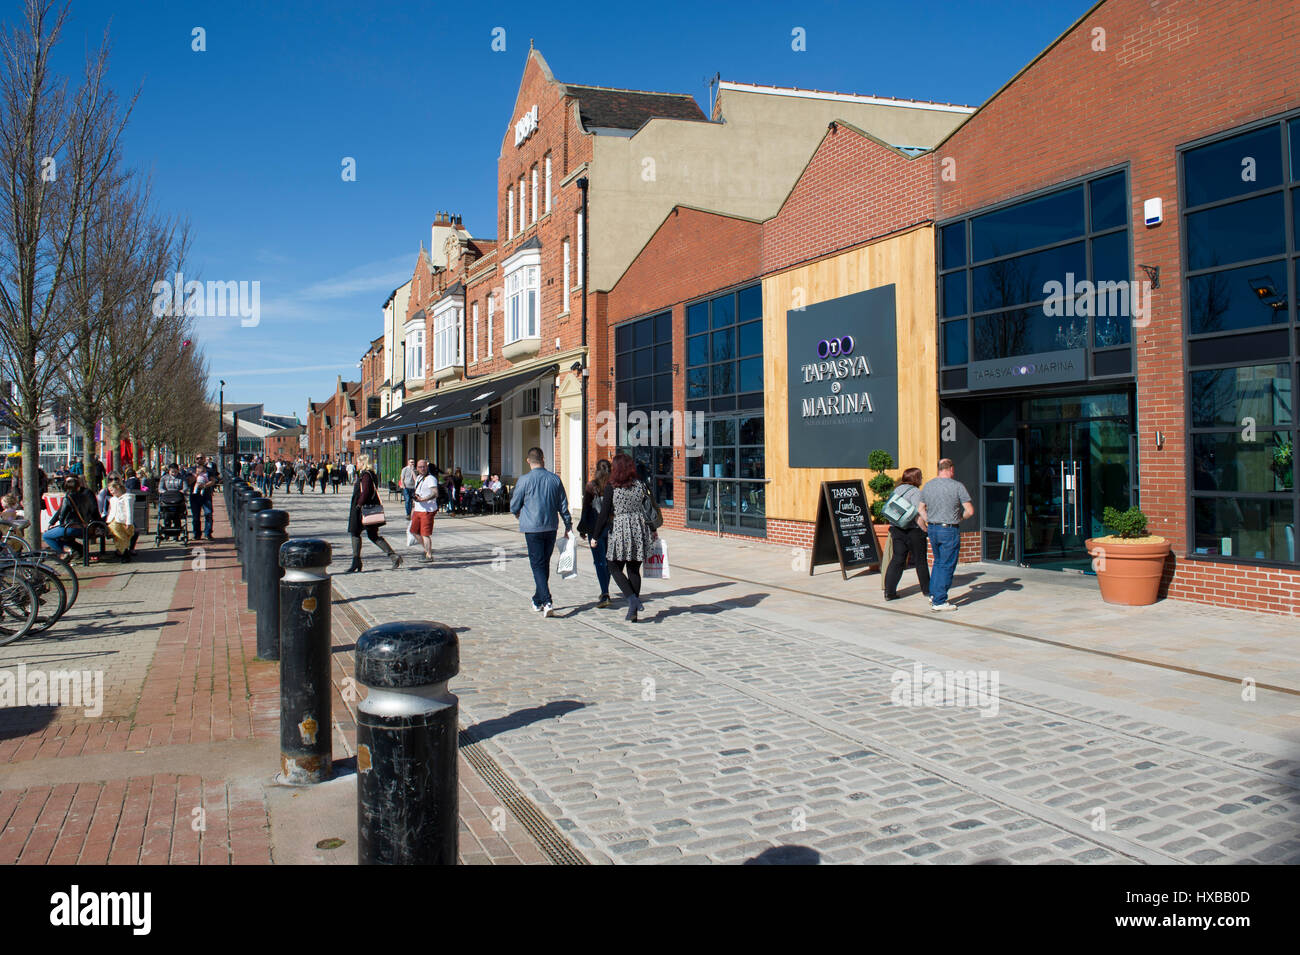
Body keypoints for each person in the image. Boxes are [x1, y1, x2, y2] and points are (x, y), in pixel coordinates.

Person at [509, 447, 572, 617]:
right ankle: (538, 599)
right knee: (543, 563)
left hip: (532, 527)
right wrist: (568, 525)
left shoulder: (524, 480)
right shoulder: (554, 479)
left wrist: (517, 513)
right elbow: (563, 505)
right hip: (550, 526)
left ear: (528, 460)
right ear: (543, 459)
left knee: (537, 564)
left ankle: (546, 600)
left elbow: (514, 504)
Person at [596, 452, 656, 622]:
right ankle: (633, 610)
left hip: (622, 529)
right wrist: (653, 529)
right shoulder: (640, 485)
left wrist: (595, 535)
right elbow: (648, 507)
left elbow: (604, 514)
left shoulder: (611, 487)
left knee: (613, 565)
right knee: (633, 569)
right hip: (639, 528)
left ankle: (633, 600)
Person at [918, 458, 974, 612]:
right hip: (949, 529)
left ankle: (934, 595)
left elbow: (920, 508)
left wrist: (929, 520)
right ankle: (939, 600)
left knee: (938, 562)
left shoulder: (928, 485)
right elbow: (969, 510)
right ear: (951, 469)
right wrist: (961, 518)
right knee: (947, 565)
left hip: (933, 529)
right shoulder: (957, 486)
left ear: (938, 469)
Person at [344, 453, 402, 573]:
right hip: (365, 508)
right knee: (371, 534)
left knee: (356, 533)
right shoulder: (368, 474)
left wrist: (359, 504)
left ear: (363, 463)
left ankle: (357, 561)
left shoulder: (366, 475)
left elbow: (366, 492)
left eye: (358, 462)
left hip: (363, 509)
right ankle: (391, 556)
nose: (357, 464)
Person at [883, 467, 931, 601]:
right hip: (913, 530)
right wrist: (925, 528)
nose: (922, 478)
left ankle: (889, 592)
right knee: (920, 561)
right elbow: (918, 513)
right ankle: (927, 590)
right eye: (920, 476)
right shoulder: (916, 492)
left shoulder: (896, 490)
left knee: (897, 559)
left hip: (897, 529)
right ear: (916, 478)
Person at [577, 459, 613, 608]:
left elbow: (586, 508)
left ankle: (605, 592)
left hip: (595, 528)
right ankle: (605, 589)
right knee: (609, 561)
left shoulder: (591, 486)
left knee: (599, 561)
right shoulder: (613, 485)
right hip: (611, 526)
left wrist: (582, 528)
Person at [43, 475, 100, 559]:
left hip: (70, 527)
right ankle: (77, 550)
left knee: (46, 536)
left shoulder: (68, 498)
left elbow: (62, 514)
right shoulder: (85, 496)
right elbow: (92, 511)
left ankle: (62, 554)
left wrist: (57, 524)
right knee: (61, 536)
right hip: (83, 527)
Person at [408, 459, 439, 562]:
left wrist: (424, 499)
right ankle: (427, 549)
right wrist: (414, 506)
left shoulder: (431, 479)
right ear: (417, 468)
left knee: (425, 533)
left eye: (424, 467)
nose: (422, 468)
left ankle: (429, 555)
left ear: (427, 467)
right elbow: (418, 492)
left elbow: (435, 493)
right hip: (418, 509)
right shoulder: (419, 478)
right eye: (420, 467)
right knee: (414, 531)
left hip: (427, 510)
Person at [104, 481, 136, 562]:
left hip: (123, 521)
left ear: (117, 488)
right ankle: (124, 552)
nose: (111, 492)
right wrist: (108, 520)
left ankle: (123, 552)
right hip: (114, 521)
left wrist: (129, 522)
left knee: (123, 538)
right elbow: (111, 511)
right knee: (118, 536)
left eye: (112, 490)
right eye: (110, 491)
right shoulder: (112, 499)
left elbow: (129, 511)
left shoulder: (127, 498)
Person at [190, 463, 215, 540]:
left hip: (206, 495)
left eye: (201, 458)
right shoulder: (190, 470)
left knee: (208, 513)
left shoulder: (209, 470)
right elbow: (189, 482)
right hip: (194, 496)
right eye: (198, 458)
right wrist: (196, 475)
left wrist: (205, 485)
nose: (199, 460)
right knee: (196, 516)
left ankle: (208, 533)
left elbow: (213, 481)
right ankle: (196, 534)